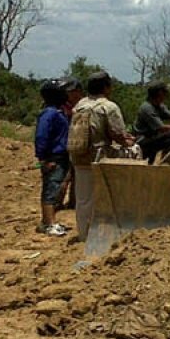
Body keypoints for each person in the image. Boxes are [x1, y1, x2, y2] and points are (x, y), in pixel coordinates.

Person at [70, 71, 134, 241]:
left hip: (79, 156)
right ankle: (109, 232)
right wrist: (128, 141)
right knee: (107, 196)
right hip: (100, 158)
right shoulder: (109, 107)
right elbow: (117, 134)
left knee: (83, 199)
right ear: (106, 87)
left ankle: (83, 234)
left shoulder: (80, 105)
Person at [34, 79, 70, 236]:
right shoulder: (49, 113)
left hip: (60, 156)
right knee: (51, 189)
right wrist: (43, 159)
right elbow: (41, 136)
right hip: (53, 157)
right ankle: (49, 224)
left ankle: (47, 221)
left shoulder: (58, 112)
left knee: (53, 187)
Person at [55, 77, 84, 211]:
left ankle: (73, 202)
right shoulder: (64, 108)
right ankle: (57, 202)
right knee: (66, 176)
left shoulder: (79, 106)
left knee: (76, 175)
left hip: (76, 144)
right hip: (65, 145)